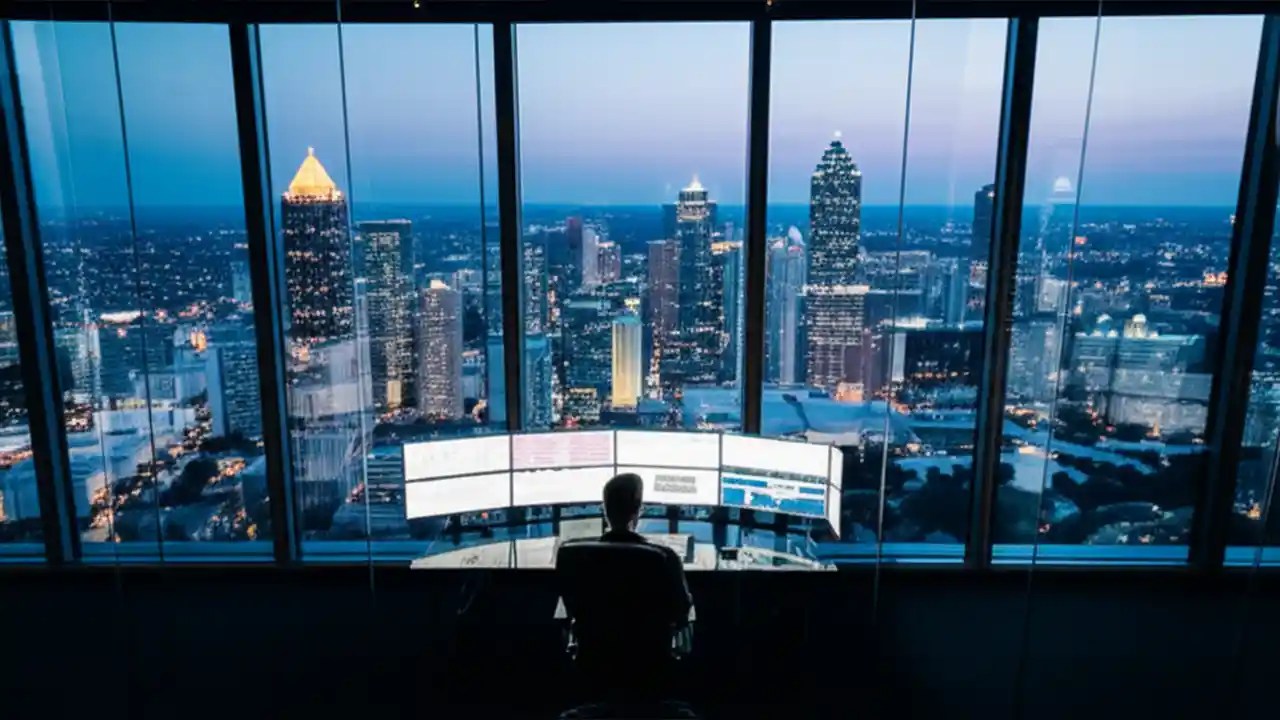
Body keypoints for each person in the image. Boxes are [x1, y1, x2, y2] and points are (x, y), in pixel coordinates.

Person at [600, 472, 693, 629]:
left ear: (605, 510)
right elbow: (681, 611)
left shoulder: (577, 556)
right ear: (639, 510)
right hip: (649, 643)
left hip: (596, 643)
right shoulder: (664, 557)